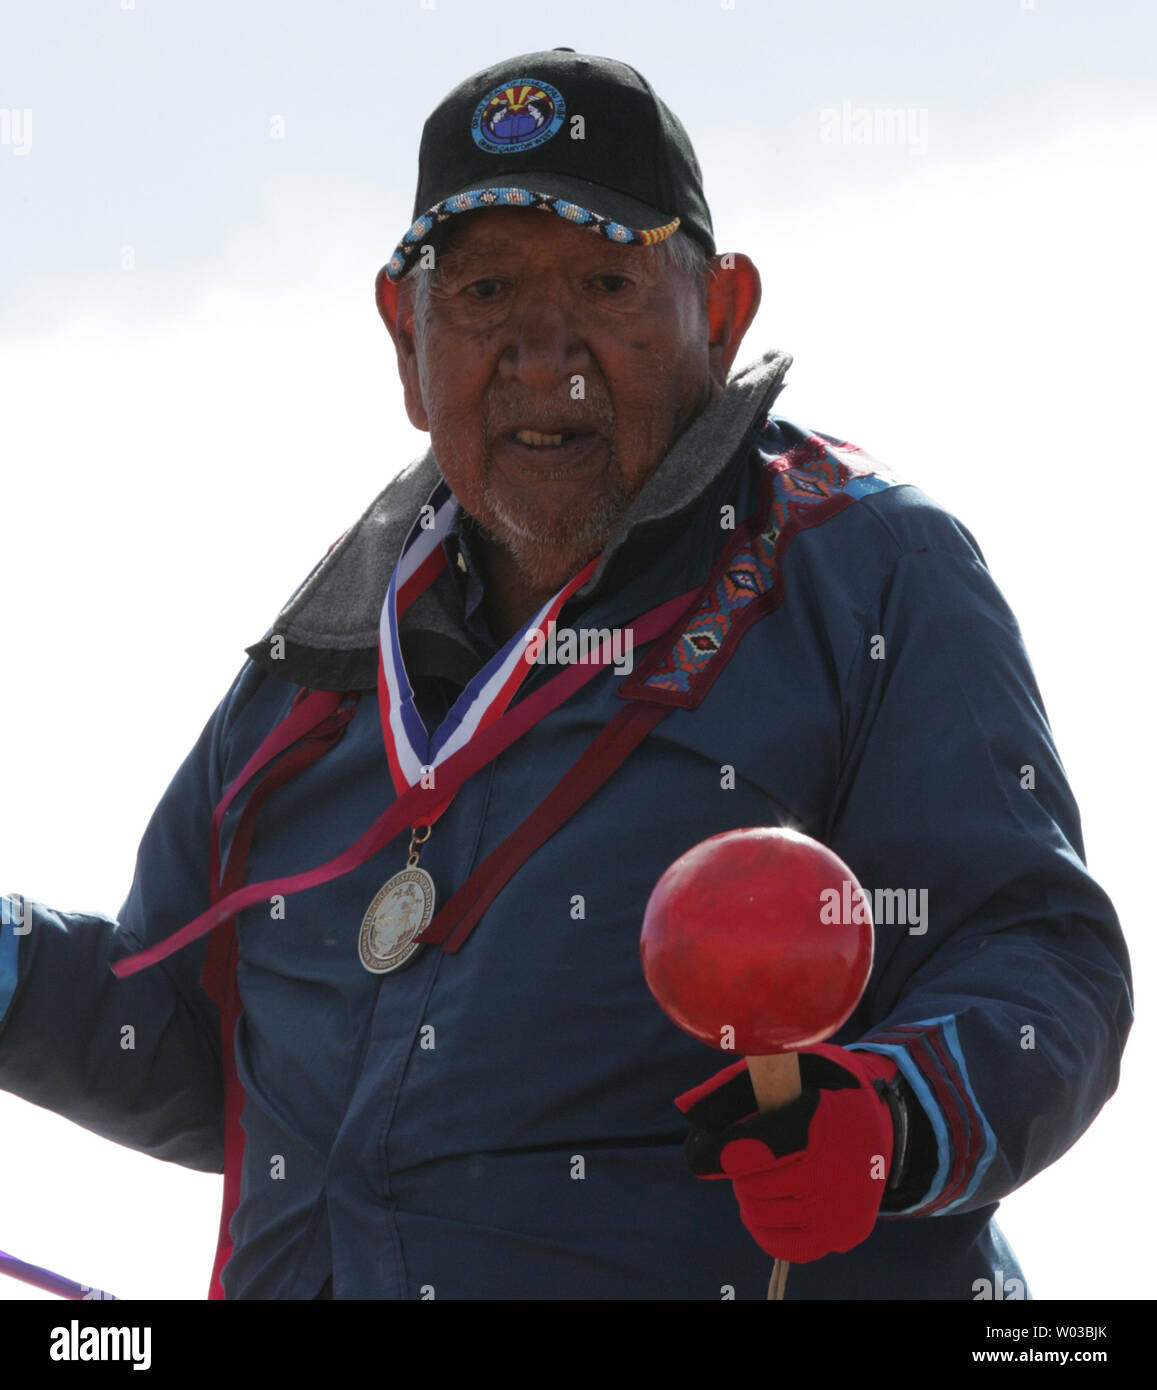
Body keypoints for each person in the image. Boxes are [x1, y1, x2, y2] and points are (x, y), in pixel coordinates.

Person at [0, 48, 1132, 1301]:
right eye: (483, 292)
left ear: (721, 309)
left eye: (605, 282)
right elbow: (187, 1043)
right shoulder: (315, 670)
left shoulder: (862, 568)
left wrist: (895, 1111)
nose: (546, 358)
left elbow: (1041, 959)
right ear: (403, 337)